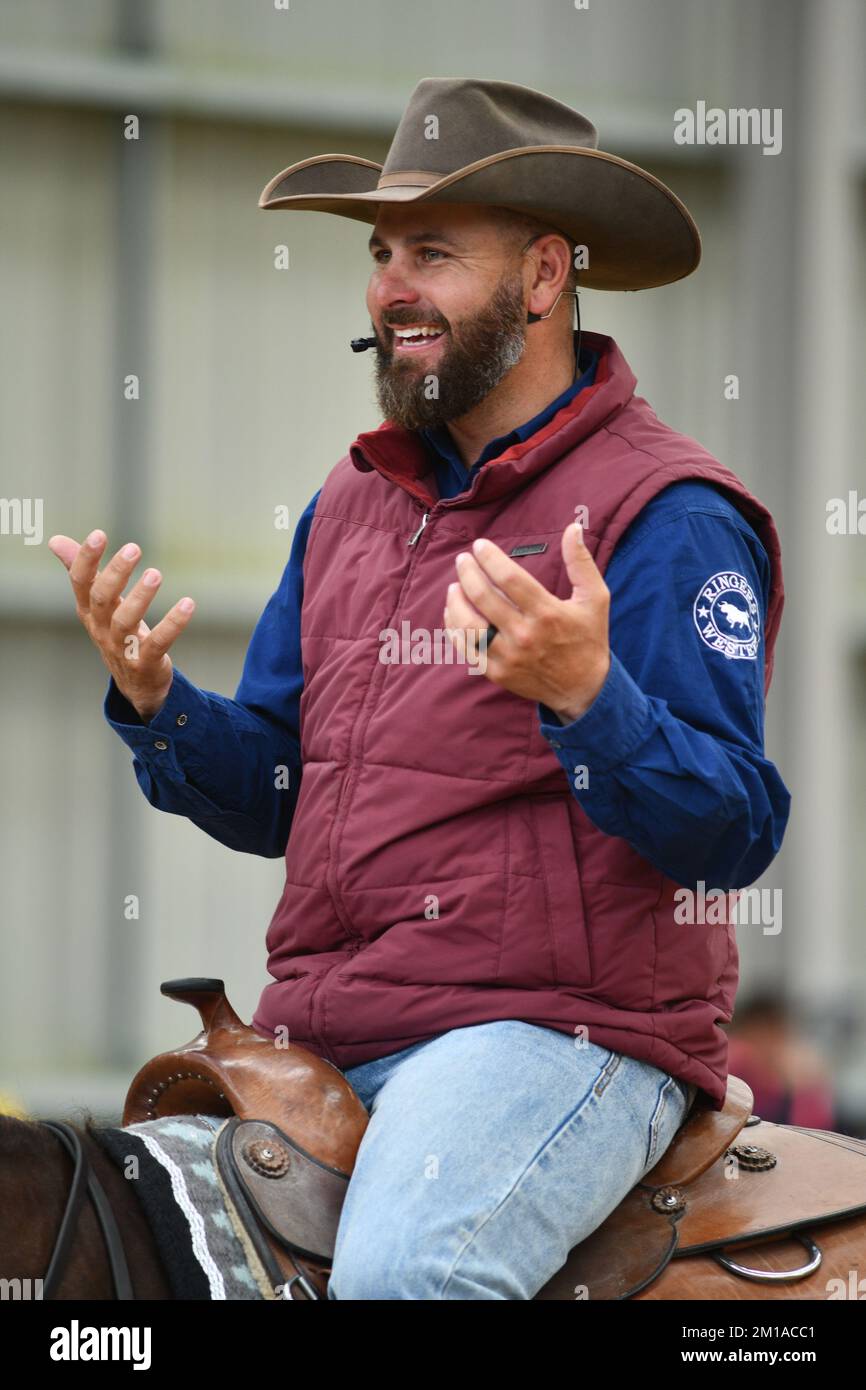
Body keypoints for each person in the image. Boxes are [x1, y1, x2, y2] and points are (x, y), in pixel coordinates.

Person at [48, 78, 791, 1299]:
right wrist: (159, 703)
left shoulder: (671, 514)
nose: (391, 284)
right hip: (318, 1032)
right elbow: (278, 792)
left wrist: (587, 695)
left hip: (554, 1036)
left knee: (410, 1278)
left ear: (544, 277)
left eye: (433, 252)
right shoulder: (348, 505)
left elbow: (732, 830)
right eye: (382, 252)